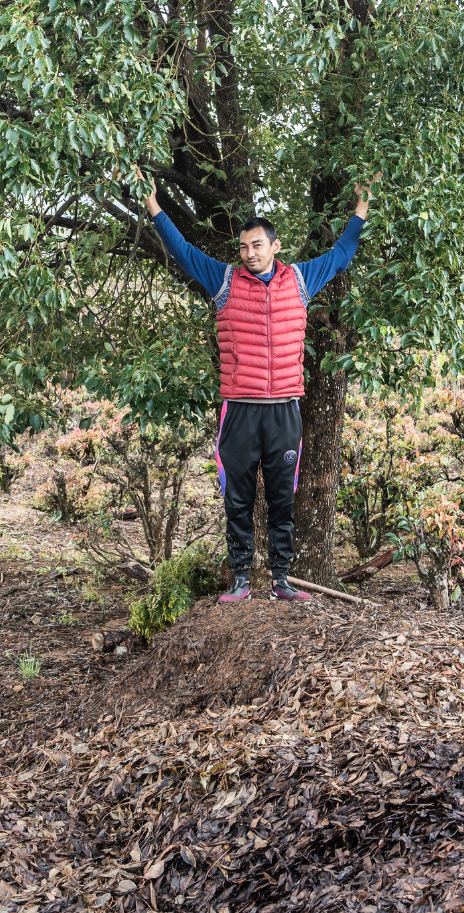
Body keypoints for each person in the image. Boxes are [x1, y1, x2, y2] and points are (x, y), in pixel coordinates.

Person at [136, 171, 373, 605]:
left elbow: (341, 255)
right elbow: (183, 252)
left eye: (257, 245)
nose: (249, 254)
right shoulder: (223, 280)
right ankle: (240, 579)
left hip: (284, 409)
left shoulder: (300, 280)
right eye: (243, 247)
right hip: (240, 410)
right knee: (238, 499)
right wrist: (154, 205)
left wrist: (362, 207)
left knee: (283, 499)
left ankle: (282, 580)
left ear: (274, 247)